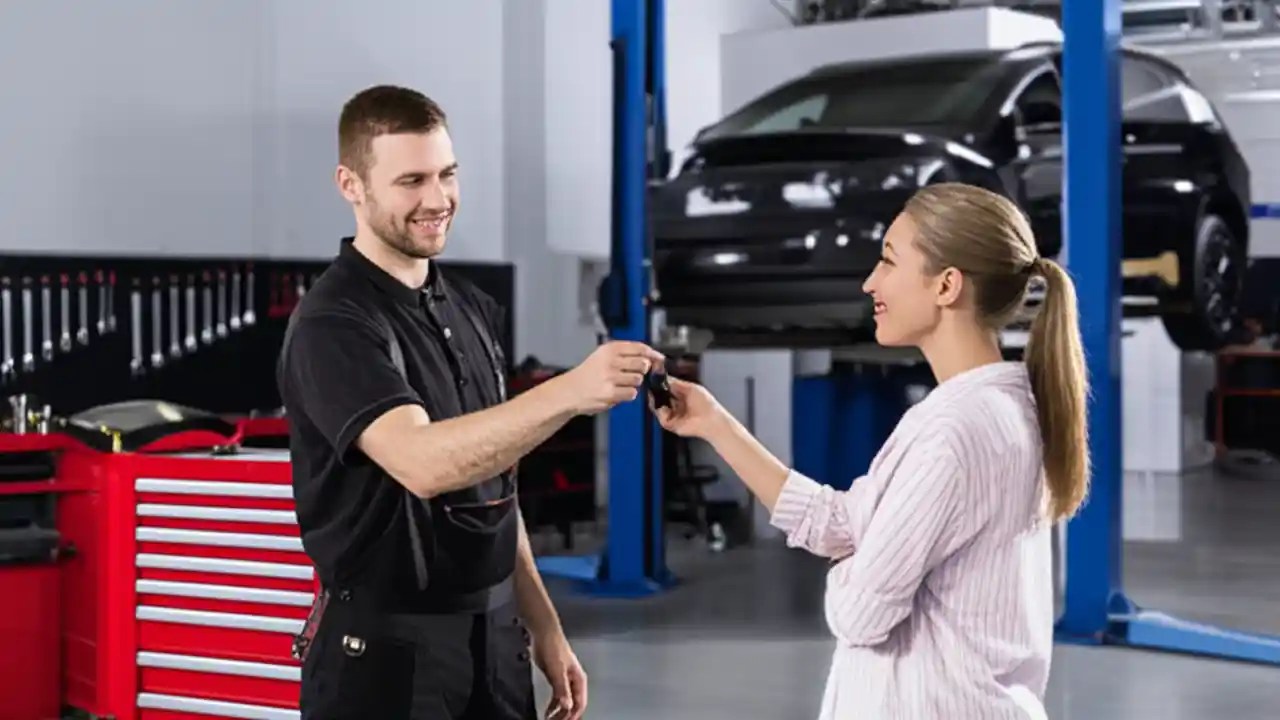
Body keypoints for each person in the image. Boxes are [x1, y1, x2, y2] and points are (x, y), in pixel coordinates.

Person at [277, 84, 662, 720]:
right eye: (411, 181)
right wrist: (567, 392)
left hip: (494, 641)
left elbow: (494, 482)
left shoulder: (472, 311)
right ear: (351, 184)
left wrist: (542, 623)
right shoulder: (334, 323)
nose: (438, 200)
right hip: (381, 657)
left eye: (447, 174)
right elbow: (424, 464)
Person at [651, 182, 1088, 719]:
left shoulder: (953, 432)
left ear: (947, 285)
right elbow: (842, 522)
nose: (870, 282)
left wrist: (857, 565)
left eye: (888, 261)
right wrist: (715, 424)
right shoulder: (1007, 407)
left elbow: (859, 614)